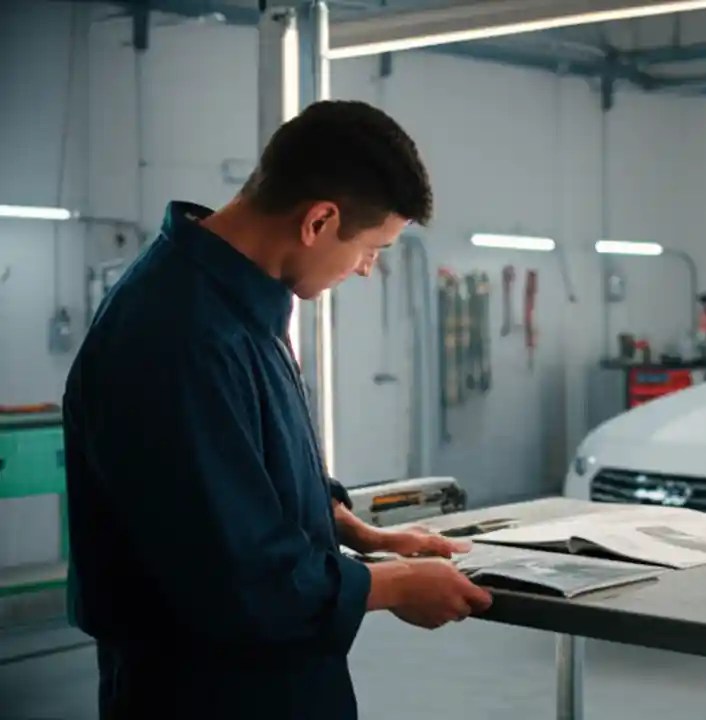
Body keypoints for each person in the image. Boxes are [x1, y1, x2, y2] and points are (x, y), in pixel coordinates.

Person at [61, 100, 492, 720]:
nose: (368, 269)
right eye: (372, 247)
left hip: (276, 676)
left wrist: (355, 530)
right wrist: (393, 584)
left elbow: (248, 467)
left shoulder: (239, 301)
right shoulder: (179, 335)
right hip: (206, 691)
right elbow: (232, 576)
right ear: (319, 220)